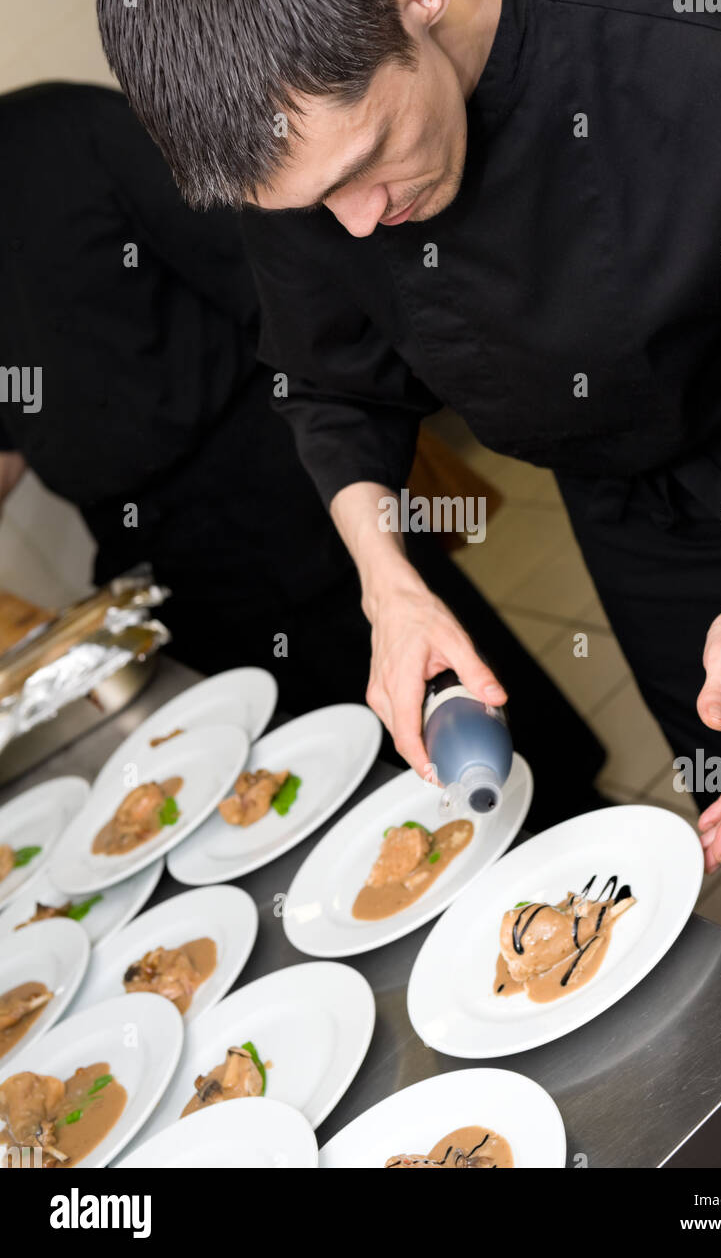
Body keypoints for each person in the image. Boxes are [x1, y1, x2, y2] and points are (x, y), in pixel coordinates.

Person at [96, 0, 721, 1129]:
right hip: (629, 515)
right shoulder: (302, 143)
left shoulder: (689, 24)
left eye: (367, 168)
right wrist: (387, 586)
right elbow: (328, 385)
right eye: (313, 206)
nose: (355, 224)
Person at [0, 81, 604, 798]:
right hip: (143, 547)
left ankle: (574, 813)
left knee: (438, 679)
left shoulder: (71, 128)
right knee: (297, 761)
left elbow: (270, 289)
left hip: (273, 472)